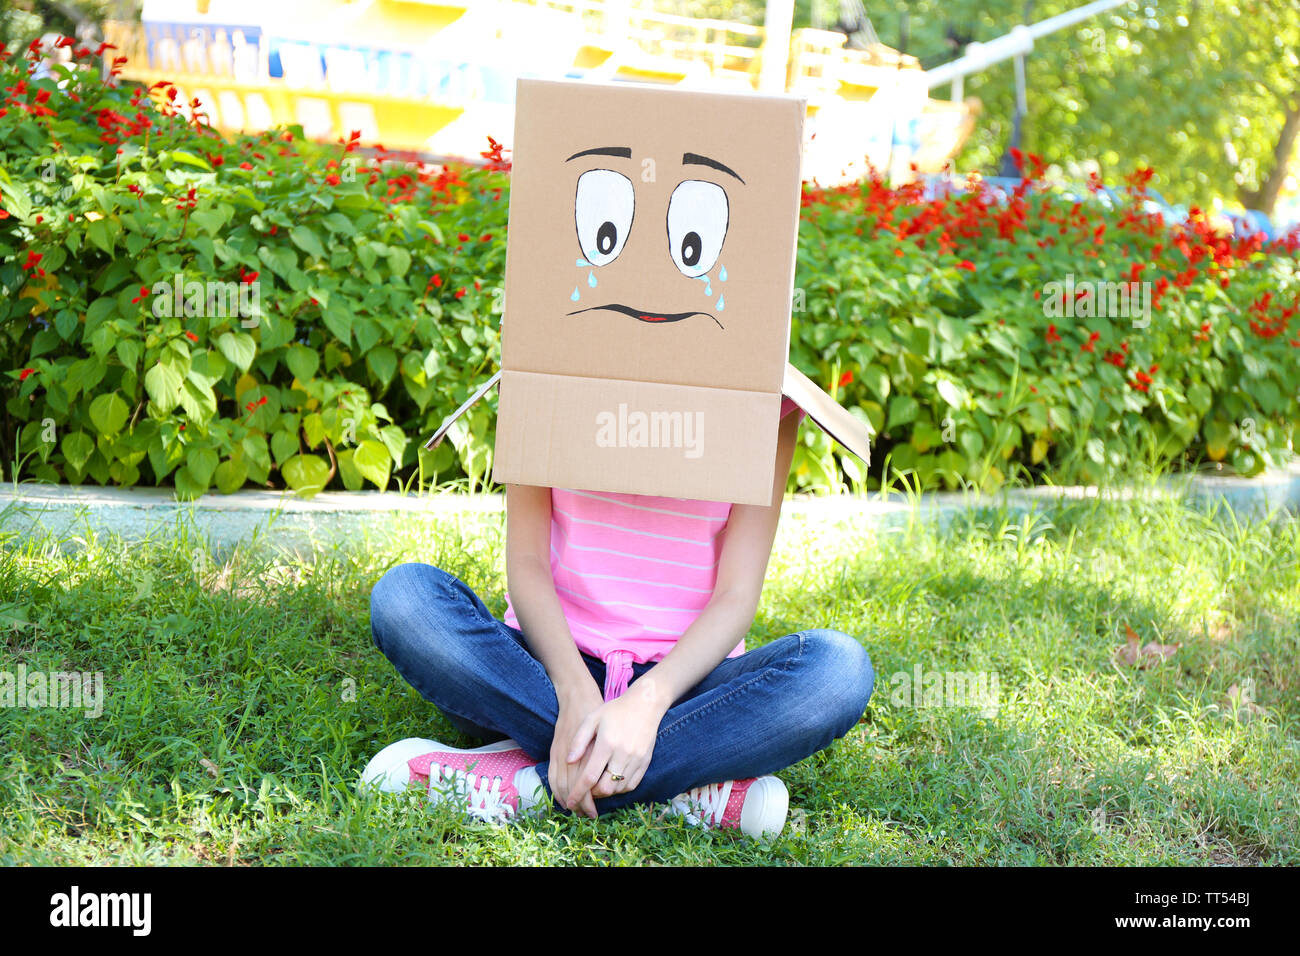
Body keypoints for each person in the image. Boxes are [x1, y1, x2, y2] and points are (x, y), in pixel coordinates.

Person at [363, 396, 875, 839]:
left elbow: (736, 596)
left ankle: (529, 786)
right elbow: (528, 563)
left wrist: (646, 706)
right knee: (406, 598)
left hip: (683, 684)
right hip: (541, 669)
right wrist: (571, 689)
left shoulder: (766, 399)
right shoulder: (544, 369)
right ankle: (674, 784)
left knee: (838, 670)